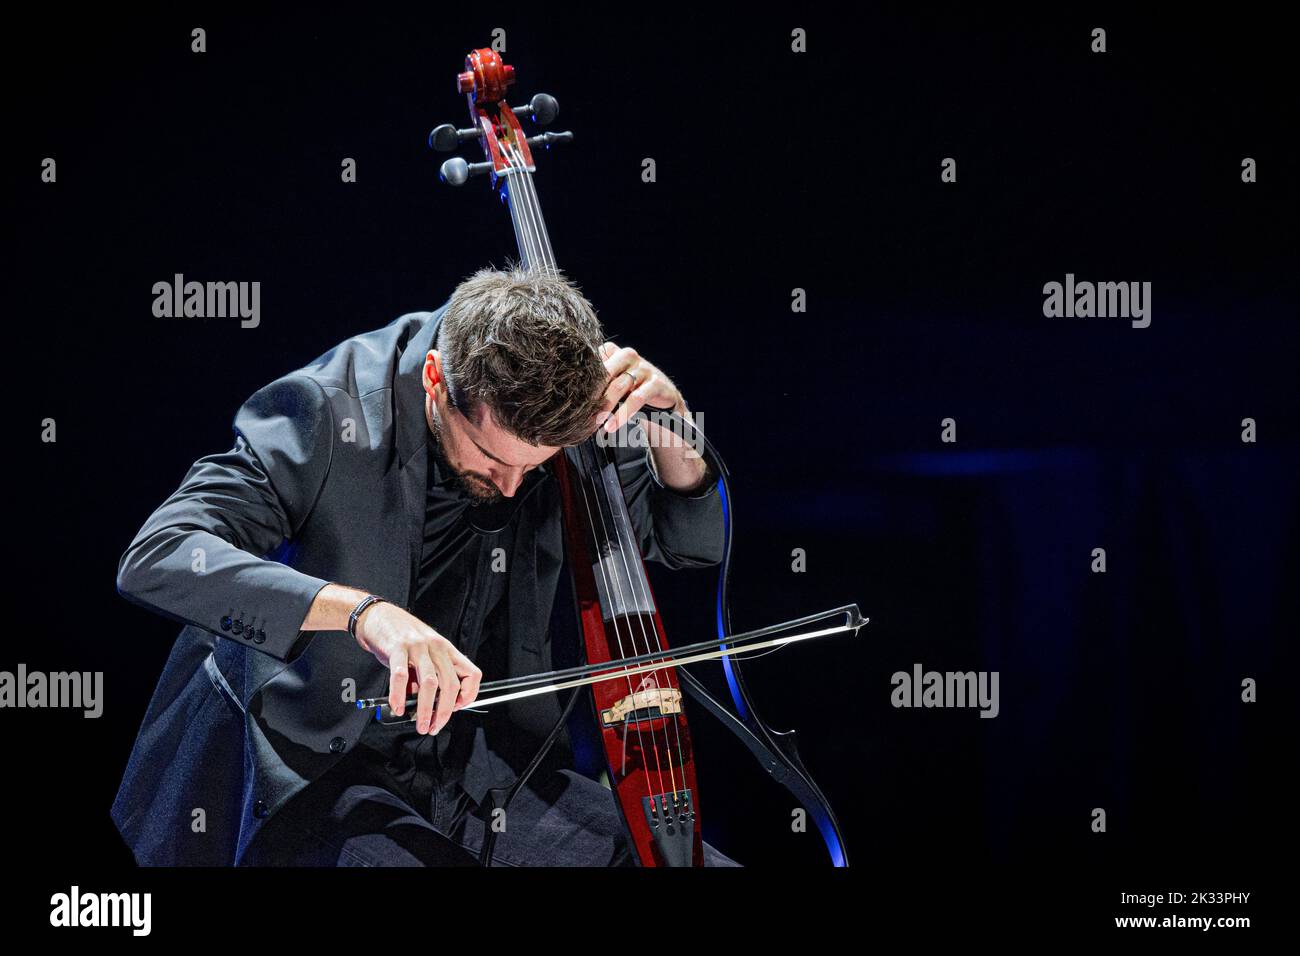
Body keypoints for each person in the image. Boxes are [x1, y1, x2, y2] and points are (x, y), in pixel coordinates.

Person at [111, 265, 737, 866]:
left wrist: (673, 430)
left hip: (482, 770)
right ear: (437, 379)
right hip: (309, 767)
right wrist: (361, 613)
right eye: (493, 460)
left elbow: (687, 545)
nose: (516, 486)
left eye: (537, 465)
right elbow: (161, 553)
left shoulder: (564, 413)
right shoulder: (327, 410)